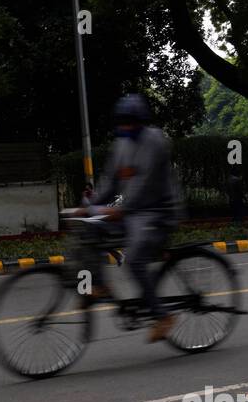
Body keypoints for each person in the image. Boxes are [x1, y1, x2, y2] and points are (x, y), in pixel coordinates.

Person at [75, 93, 184, 343]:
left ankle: (162, 316)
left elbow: (142, 184)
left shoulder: (155, 142)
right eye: (122, 122)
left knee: (133, 260)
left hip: (158, 213)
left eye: (130, 122)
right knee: (88, 229)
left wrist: (117, 210)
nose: (126, 127)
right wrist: (90, 205)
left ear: (141, 121)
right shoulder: (121, 144)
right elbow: (110, 182)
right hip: (132, 212)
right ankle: (100, 285)